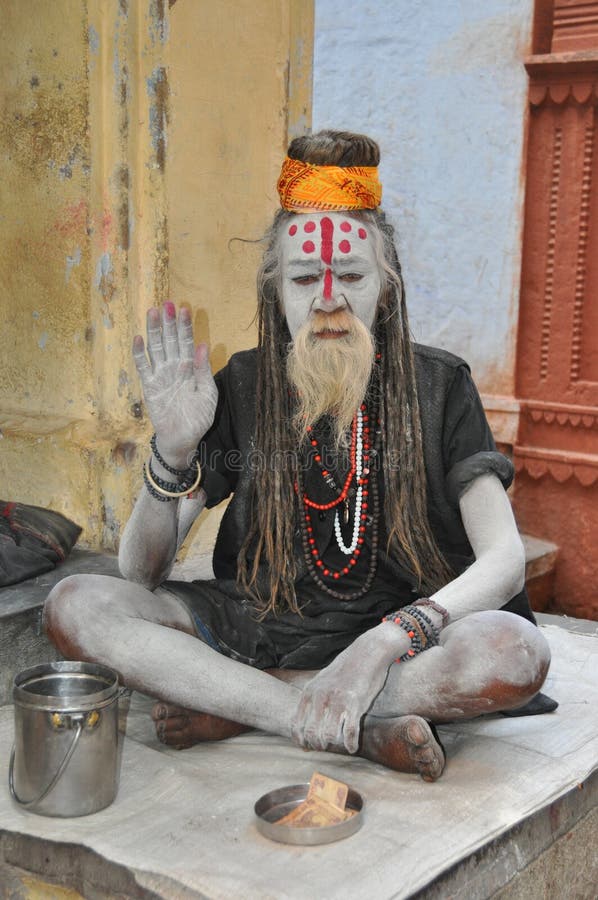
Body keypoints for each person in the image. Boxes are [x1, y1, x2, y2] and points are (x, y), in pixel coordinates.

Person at [45, 131, 553, 782]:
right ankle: (325, 719)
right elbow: (140, 572)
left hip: (401, 635)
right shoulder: (241, 384)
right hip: (260, 621)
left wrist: (382, 643)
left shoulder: (440, 385)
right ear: (275, 289)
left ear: (386, 286)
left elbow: (504, 559)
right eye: (305, 277)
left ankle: (239, 704)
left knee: (512, 652)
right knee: (77, 603)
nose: (328, 298)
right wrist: (172, 450)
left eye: (353, 276)